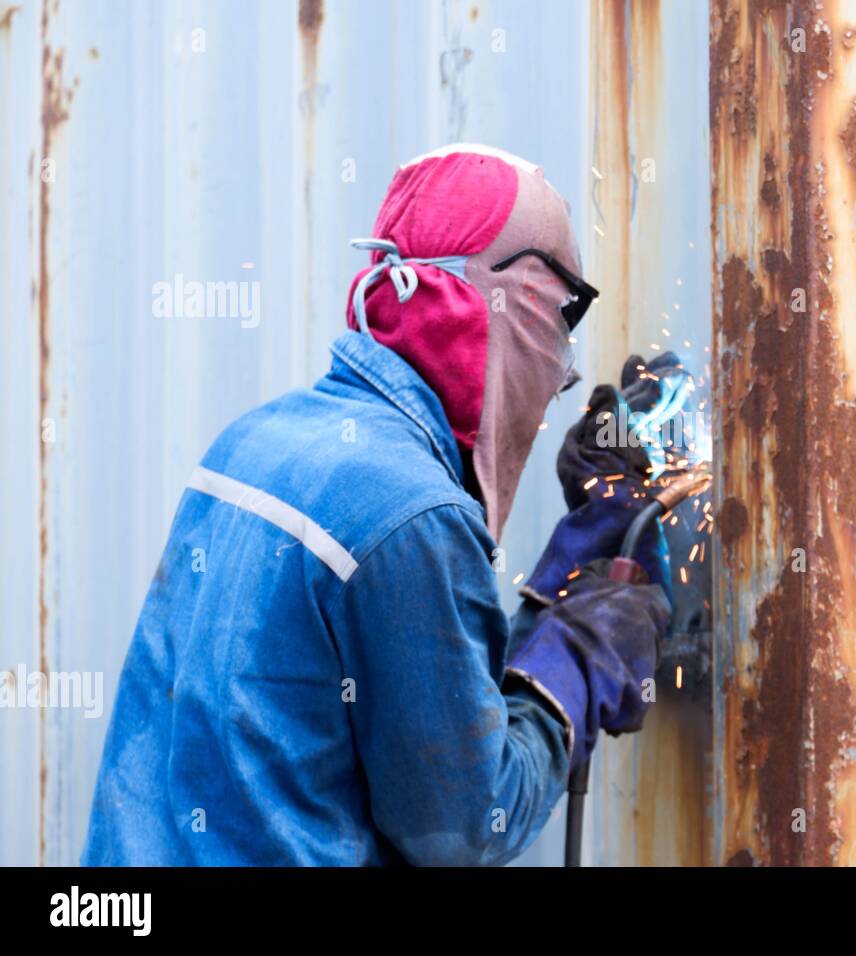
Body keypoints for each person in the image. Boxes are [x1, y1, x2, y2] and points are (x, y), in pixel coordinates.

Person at [82, 144, 675, 866]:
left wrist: (561, 590)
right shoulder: (414, 517)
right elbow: (464, 825)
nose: (562, 375)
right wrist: (576, 661)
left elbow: (408, 696)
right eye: (564, 318)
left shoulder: (252, 444)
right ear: (515, 305)